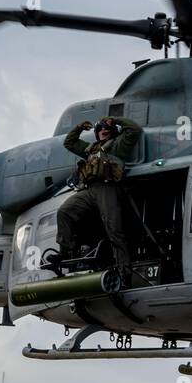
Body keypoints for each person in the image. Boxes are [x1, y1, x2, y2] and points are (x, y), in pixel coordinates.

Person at [52, 115, 142, 276]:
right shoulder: (90, 149)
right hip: (89, 190)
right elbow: (69, 143)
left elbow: (134, 129)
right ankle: (65, 252)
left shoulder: (118, 145)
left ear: (112, 132)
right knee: (65, 211)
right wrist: (79, 127)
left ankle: (124, 269)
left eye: (106, 129)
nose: (103, 131)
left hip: (108, 189)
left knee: (114, 229)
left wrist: (114, 120)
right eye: (100, 129)